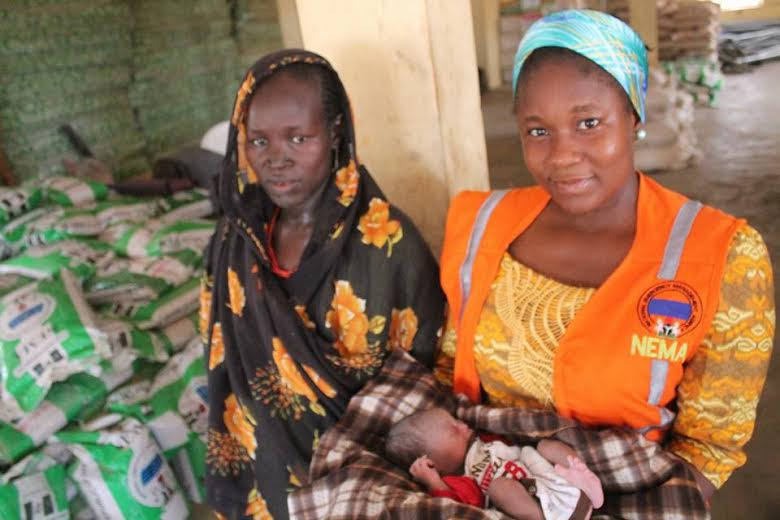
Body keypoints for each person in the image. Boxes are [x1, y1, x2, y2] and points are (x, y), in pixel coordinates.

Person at [435, 9, 774, 509]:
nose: (561, 155)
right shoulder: (478, 224)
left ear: (634, 116)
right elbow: (450, 376)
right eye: (538, 131)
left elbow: (709, 448)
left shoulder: (721, 256)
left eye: (589, 123)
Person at [200, 50, 445, 519]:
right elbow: (218, 347)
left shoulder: (387, 243)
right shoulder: (236, 240)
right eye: (259, 141)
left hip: (362, 483)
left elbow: (426, 374)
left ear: (335, 133)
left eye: (299, 138)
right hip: (263, 475)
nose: (276, 159)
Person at [386, 407, 603, 519]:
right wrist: (434, 482)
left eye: (457, 420)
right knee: (498, 486)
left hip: (560, 486)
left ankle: (586, 481)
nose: (462, 425)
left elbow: (514, 432)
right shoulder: (459, 479)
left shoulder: (483, 439)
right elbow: (457, 507)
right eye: (453, 430)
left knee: (545, 445)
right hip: (542, 509)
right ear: (433, 463)